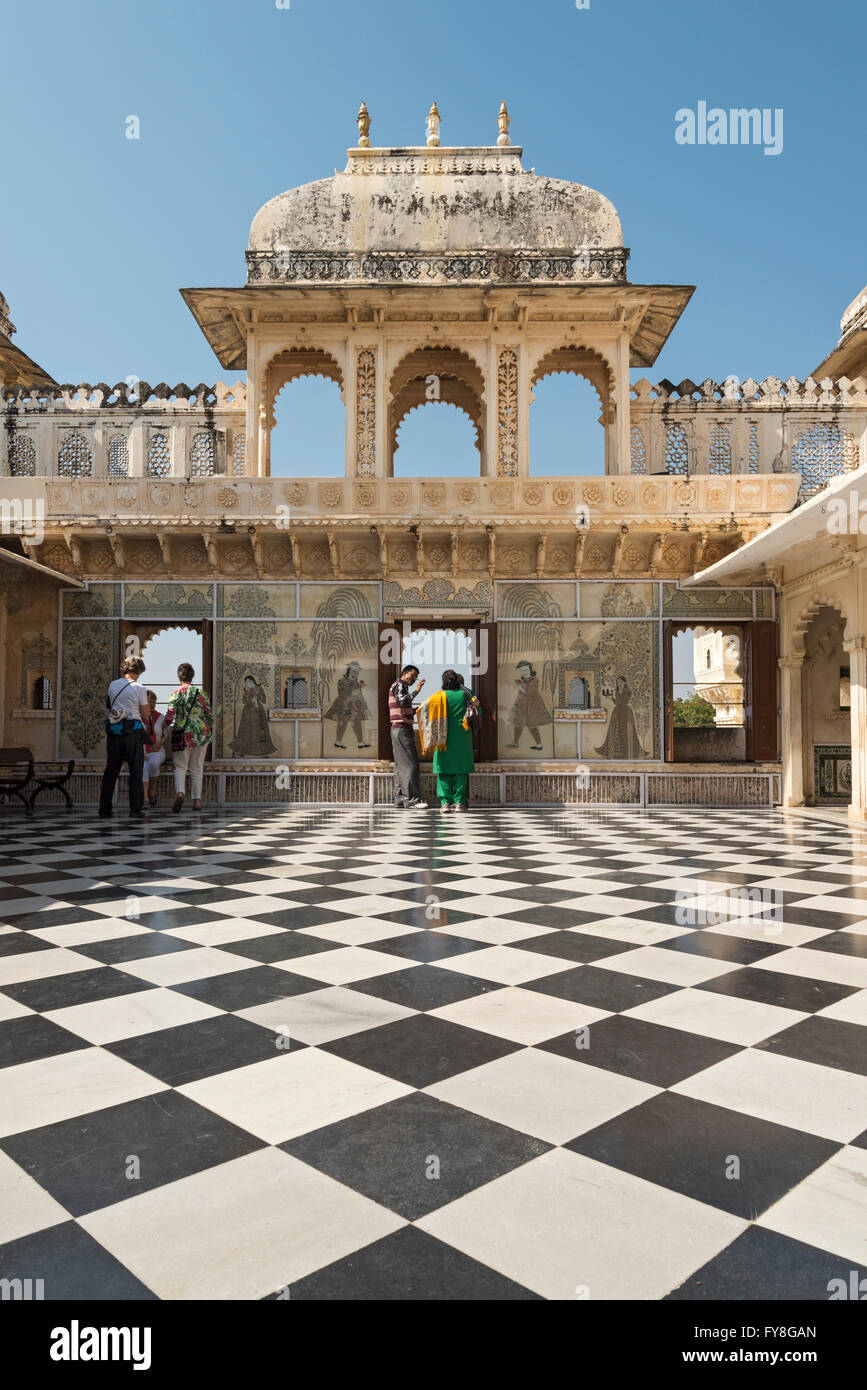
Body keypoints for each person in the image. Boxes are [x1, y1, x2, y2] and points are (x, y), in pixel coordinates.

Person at [417, 668, 480, 814]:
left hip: (442, 739)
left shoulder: (439, 696)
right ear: (457, 681)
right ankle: (459, 803)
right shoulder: (466, 694)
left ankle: (445, 803)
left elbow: (422, 708)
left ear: (444, 682)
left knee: (443, 771)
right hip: (462, 737)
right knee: (461, 771)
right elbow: (478, 710)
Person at [98, 655, 149, 818]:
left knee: (111, 770)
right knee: (136, 770)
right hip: (132, 732)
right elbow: (145, 714)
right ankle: (135, 809)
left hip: (115, 731)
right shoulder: (139, 687)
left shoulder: (113, 684)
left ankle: (104, 809)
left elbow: (109, 705)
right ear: (139, 671)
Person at [164, 662, 213, 813]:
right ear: (193, 677)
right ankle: (197, 802)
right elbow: (209, 716)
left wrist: (164, 725)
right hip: (201, 734)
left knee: (180, 766)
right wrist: (205, 726)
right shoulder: (201, 694)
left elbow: (169, 716)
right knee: (197, 767)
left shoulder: (175, 694)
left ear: (179, 677)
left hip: (182, 734)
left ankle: (180, 793)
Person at [388, 663, 428, 809]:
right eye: (412, 676)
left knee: (400, 766)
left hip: (397, 729)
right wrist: (417, 691)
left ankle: (400, 799)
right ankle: (411, 800)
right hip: (402, 728)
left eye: (415, 678)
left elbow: (403, 705)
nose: (413, 680)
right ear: (404, 673)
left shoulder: (398, 686)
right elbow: (402, 701)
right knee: (410, 764)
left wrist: (417, 709)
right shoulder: (399, 685)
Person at [324, 662, 370, 749]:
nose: (356, 673)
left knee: (357, 723)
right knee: (342, 723)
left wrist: (364, 705)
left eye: (357, 671)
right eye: (355, 671)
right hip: (344, 704)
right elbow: (343, 694)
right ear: (350, 670)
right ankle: (338, 742)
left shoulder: (355, 682)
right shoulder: (342, 681)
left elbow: (359, 694)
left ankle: (360, 742)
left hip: (355, 705)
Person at [506, 661, 551, 750]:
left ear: (530, 670)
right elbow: (520, 695)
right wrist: (514, 706)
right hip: (522, 706)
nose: (524, 672)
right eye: (522, 670)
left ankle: (539, 744)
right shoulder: (522, 682)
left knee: (532, 725)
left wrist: (521, 689)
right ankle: (515, 742)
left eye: (526, 670)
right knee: (518, 724)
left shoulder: (535, 681)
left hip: (532, 706)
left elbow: (532, 693)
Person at [142, 690, 166, 807]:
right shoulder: (138, 717)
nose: (151, 704)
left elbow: (167, 733)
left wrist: (160, 743)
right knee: (144, 766)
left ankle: (152, 791)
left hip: (157, 751)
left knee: (154, 763)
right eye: (149, 701)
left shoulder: (161, 718)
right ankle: (145, 797)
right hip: (141, 751)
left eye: (154, 701)